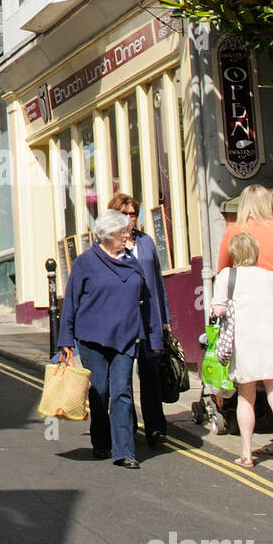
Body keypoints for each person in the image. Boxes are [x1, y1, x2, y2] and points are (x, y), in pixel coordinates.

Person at [58, 209, 162, 469]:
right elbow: (71, 303)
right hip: (92, 337)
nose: (129, 234)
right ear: (108, 234)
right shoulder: (86, 262)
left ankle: (124, 451)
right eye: (123, 230)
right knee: (99, 392)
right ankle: (101, 442)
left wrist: (154, 336)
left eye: (128, 230)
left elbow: (147, 301)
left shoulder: (132, 261)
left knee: (123, 393)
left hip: (126, 338)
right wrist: (66, 339)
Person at [215, 183, 273, 453]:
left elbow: (223, 268)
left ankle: (256, 442)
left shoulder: (235, 232)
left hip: (252, 311)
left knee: (249, 381)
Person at [108, 191, 172, 445]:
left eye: (133, 214)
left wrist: (164, 317)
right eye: (124, 214)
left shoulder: (145, 242)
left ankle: (156, 427)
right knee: (122, 378)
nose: (130, 218)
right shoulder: (107, 245)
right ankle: (128, 425)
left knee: (151, 375)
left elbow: (157, 280)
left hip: (149, 320)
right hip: (122, 322)